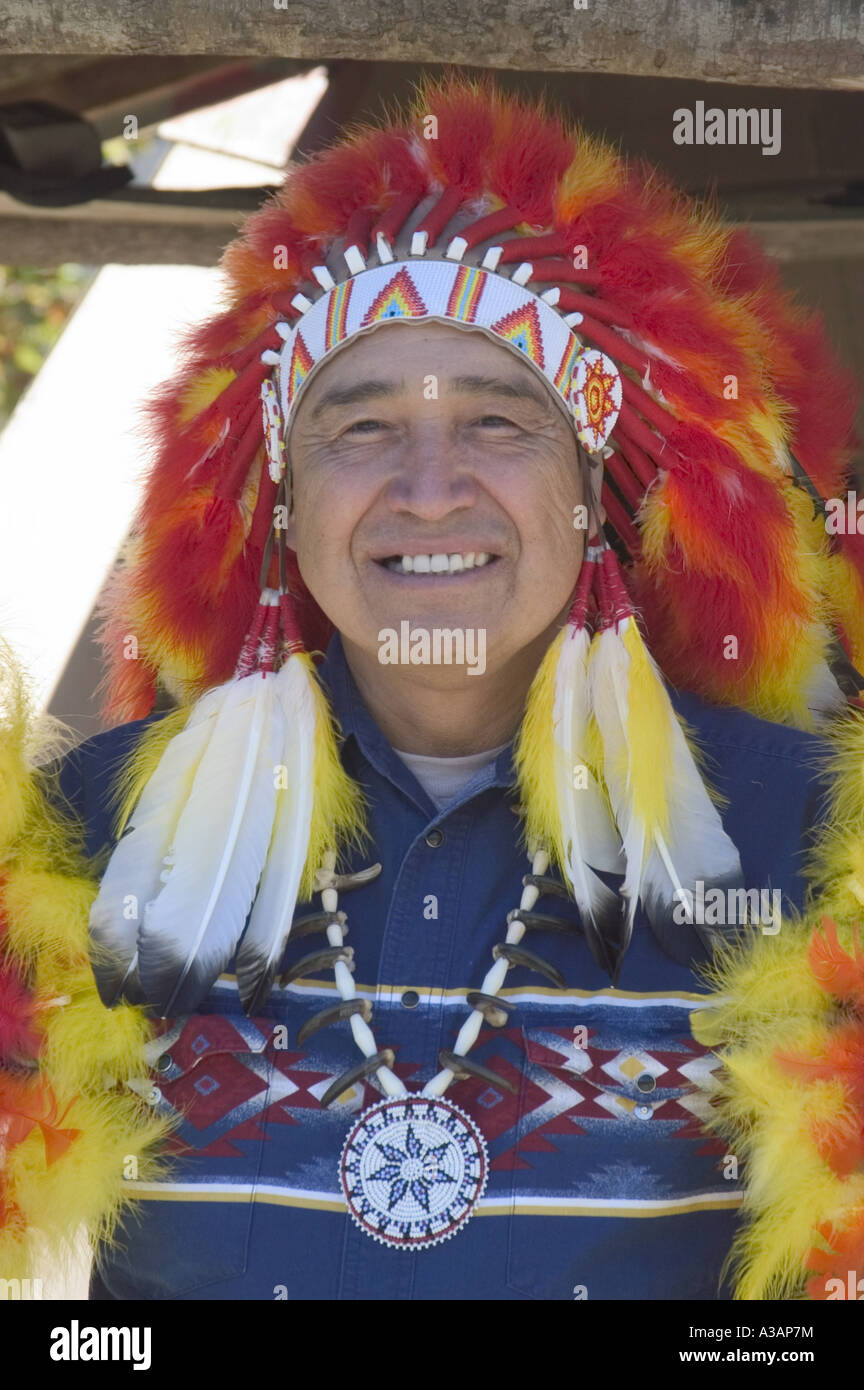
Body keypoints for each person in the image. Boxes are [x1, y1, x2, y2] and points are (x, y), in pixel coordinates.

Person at [1, 74, 863, 1302]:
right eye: (360, 431)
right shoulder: (77, 846)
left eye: (500, 424)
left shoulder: (815, 844)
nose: (428, 487)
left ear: (592, 496)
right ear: (286, 506)